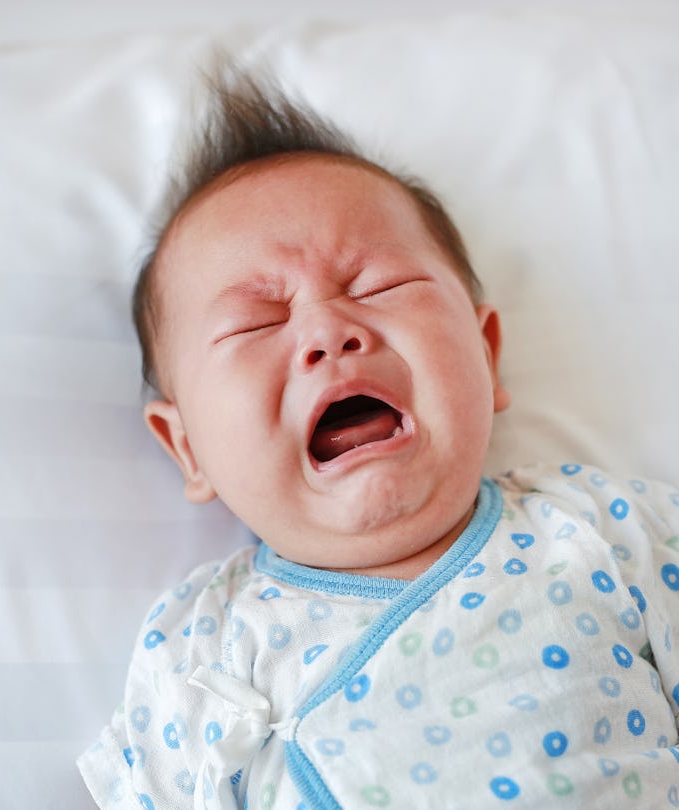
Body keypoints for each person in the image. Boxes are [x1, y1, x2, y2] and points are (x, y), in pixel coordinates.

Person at [78, 67, 679, 809]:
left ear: (486, 358)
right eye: (256, 324)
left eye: (378, 287)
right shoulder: (200, 644)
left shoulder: (609, 532)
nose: (329, 331)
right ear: (188, 449)